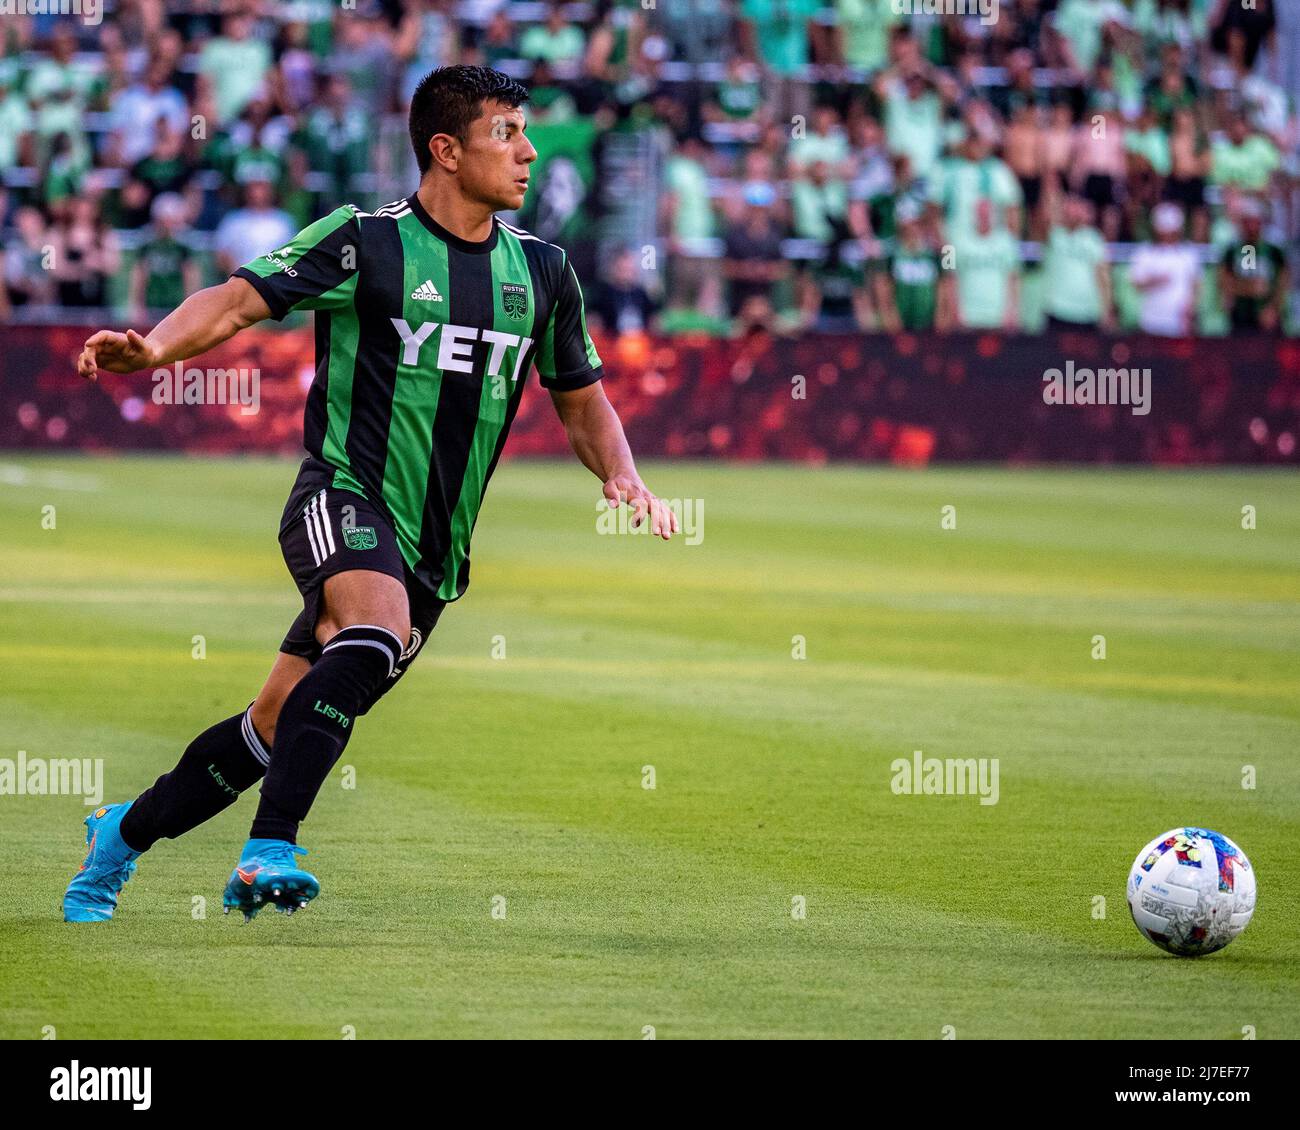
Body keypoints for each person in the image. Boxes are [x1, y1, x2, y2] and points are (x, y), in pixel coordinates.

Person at [66, 65, 679, 925]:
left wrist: (622, 473)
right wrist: (156, 350)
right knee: (373, 633)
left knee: (273, 727)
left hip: (435, 549)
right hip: (342, 495)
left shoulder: (544, 273)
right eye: (506, 133)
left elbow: (581, 399)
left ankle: (117, 837)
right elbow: (240, 301)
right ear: (446, 150)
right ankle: (268, 851)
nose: (529, 152)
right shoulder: (366, 241)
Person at [1128, 201, 1201, 337]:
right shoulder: (1144, 253)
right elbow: (1136, 283)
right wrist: (1155, 281)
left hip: (1179, 324)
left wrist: (1190, 311)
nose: (1168, 234)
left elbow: (1196, 286)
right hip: (1151, 322)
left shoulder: (1188, 253)